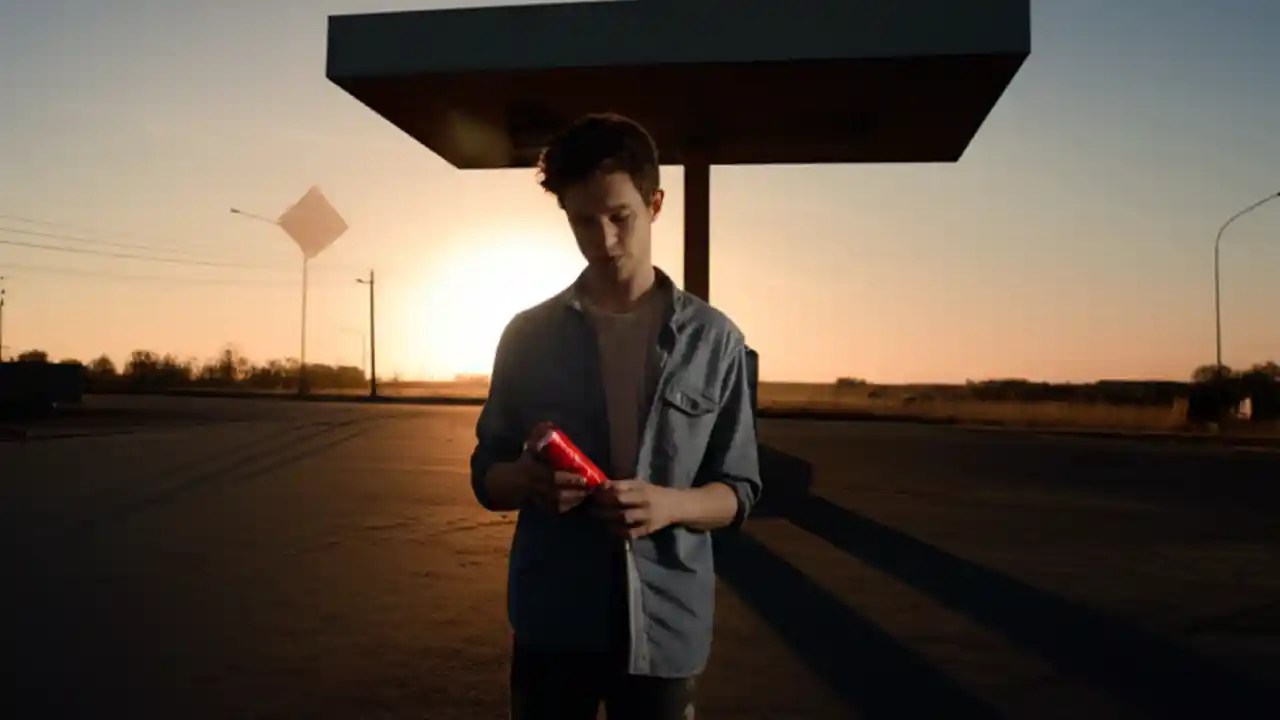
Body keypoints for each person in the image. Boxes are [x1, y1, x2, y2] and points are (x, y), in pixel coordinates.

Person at [469, 112, 762, 720]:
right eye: (583, 221)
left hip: (666, 626)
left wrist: (670, 505)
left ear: (655, 203)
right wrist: (524, 480)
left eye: (619, 217)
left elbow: (740, 489)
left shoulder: (715, 342)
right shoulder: (526, 336)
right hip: (553, 620)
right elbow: (485, 473)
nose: (602, 240)